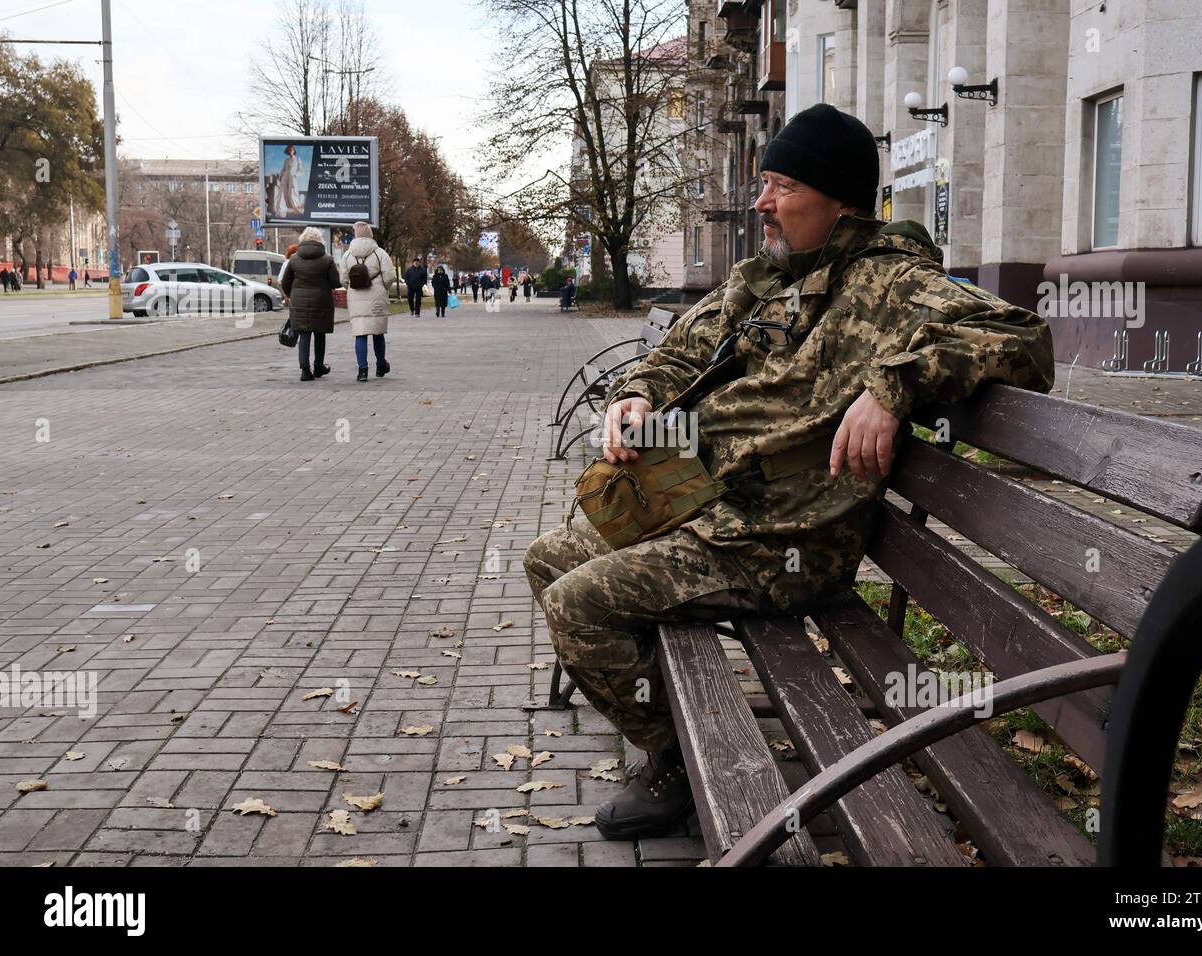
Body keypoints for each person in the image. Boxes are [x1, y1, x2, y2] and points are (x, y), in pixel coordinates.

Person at [522, 103, 1055, 841]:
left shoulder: (890, 281)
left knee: (581, 605)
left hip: (783, 542)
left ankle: (671, 761)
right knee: (547, 557)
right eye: (763, 184)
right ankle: (671, 730)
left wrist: (892, 387)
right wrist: (635, 393)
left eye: (780, 186)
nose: (762, 203)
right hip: (714, 512)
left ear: (837, 200)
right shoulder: (766, 279)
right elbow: (681, 348)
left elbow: (1025, 336)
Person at [280, 227, 341, 382]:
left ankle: (305, 370)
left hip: (299, 301)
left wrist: (292, 295)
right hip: (321, 301)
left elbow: (285, 282)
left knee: (304, 334)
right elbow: (335, 282)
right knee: (320, 334)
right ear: (319, 241)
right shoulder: (327, 259)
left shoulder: (293, 259)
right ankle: (319, 367)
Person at [340, 221, 395, 382]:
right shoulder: (380, 253)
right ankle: (380, 366)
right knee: (378, 333)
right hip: (377, 297)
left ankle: (362, 371)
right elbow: (390, 276)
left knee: (360, 334)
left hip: (356, 297)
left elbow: (343, 279)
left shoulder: (348, 255)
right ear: (370, 235)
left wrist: (351, 286)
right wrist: (383, 286)